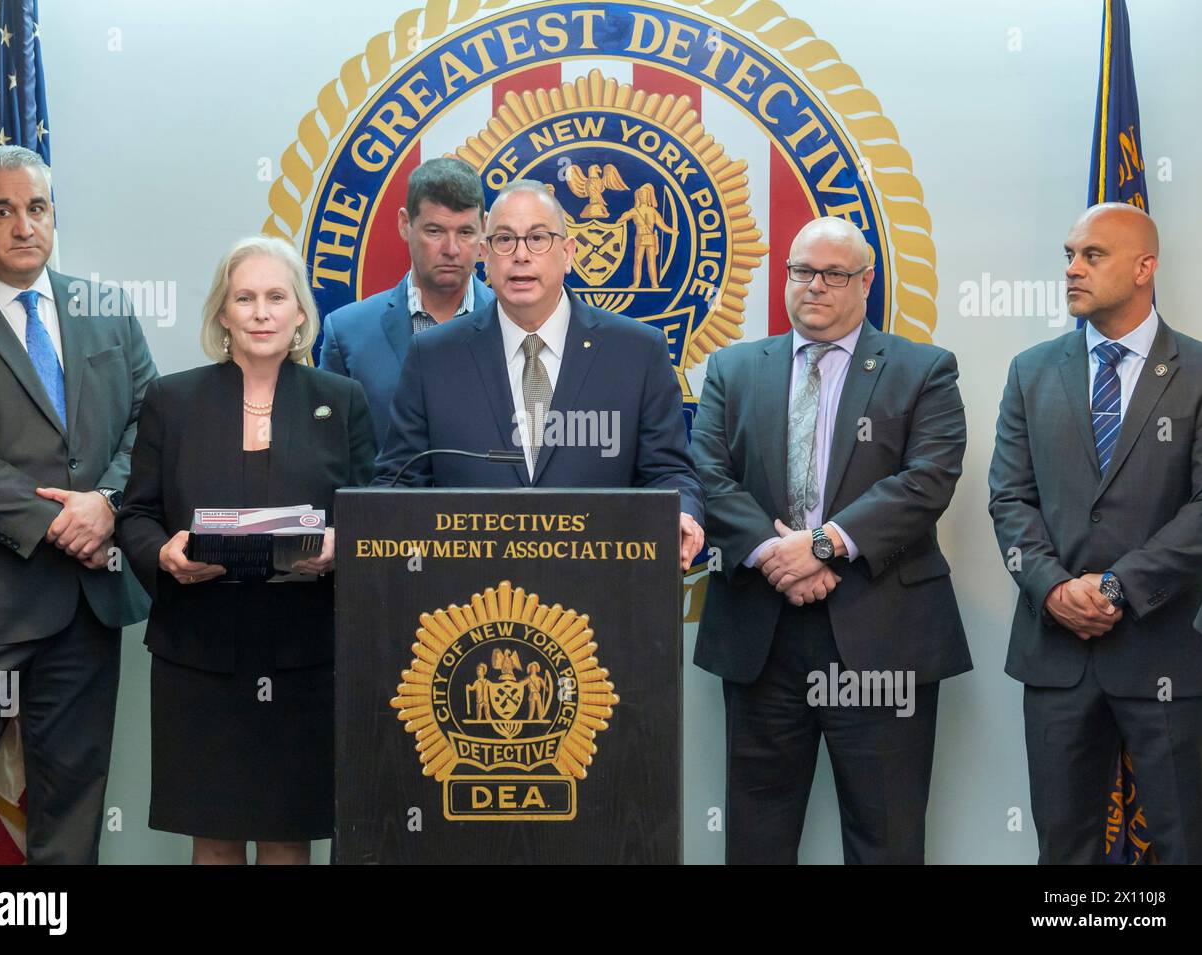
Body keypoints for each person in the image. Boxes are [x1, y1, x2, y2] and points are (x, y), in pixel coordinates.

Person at [690, 216, 971, 864]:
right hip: (763, 635)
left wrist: (824, 545)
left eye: (833, 273)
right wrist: (774, 552)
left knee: (887, 839)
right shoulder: (733, 369)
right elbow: (708, 474)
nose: (813, 285)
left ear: (865, 281)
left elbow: (928, 479)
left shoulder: (922, 369)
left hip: (883, 631)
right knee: (756, 839)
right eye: (800, 271)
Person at [0, 145, 156, 864]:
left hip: (85, 601)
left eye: (38, 208)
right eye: (2, 210)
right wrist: (57, 518)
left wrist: (107, 502)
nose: (24, 226)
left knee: (74, 800)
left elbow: (150, 421)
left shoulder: (106, 311)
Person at [116, 235, 375, 864]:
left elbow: (372, 515)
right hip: (200, 653)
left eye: (276, 297)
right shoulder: (172, 400)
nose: (261, 312)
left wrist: (343, 544)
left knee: (289, 837)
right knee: (215, 835)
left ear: (299, 314)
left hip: (305, 654)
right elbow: (137, 515)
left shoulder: (341, 401)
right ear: (222, 314)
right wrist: (165, 555)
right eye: (245, 298)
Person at [989, 202, 1202, 864]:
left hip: (1168, 648)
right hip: (1057, 651)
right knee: (1065, 851)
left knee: (1184, 846)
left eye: (1092, 255)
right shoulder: (1031, 371)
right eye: (1068, 255)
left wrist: (1120, 585)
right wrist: (1054, 588)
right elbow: (1009, 496)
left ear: (1145, 267)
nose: (1072, 269)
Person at [372, 179, 704, 569]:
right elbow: (398, 482)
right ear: (485, 256)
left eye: (537, 238)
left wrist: (681, 513)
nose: (520, 255)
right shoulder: (433, 356)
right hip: (467, 600)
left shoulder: (637, 351)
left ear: (568, 253)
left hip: (602, 590)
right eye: (505, 240)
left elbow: (669, 473)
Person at [319, 157, 494, 447]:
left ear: (484, 227)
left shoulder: (514, 323)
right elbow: (332, 458)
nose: (451, 249)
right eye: (434, 231)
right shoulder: (347, 333)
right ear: (405, 224)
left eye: (465, 232)